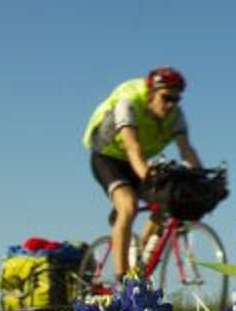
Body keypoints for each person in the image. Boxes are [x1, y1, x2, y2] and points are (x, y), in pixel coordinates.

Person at [83, 66, 204, 280]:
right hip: (108, 157)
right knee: (128, 206)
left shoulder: (175, 115)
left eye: (176, 100)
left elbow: (186, 149)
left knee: (168, 201)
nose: (170, 105)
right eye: (166, 97)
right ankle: (122, 279)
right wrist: (149, 177)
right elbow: (133, 148)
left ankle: (139, 253)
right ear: (151, 92)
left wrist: (201, 178)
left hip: (138, 162)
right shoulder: (128, 103)